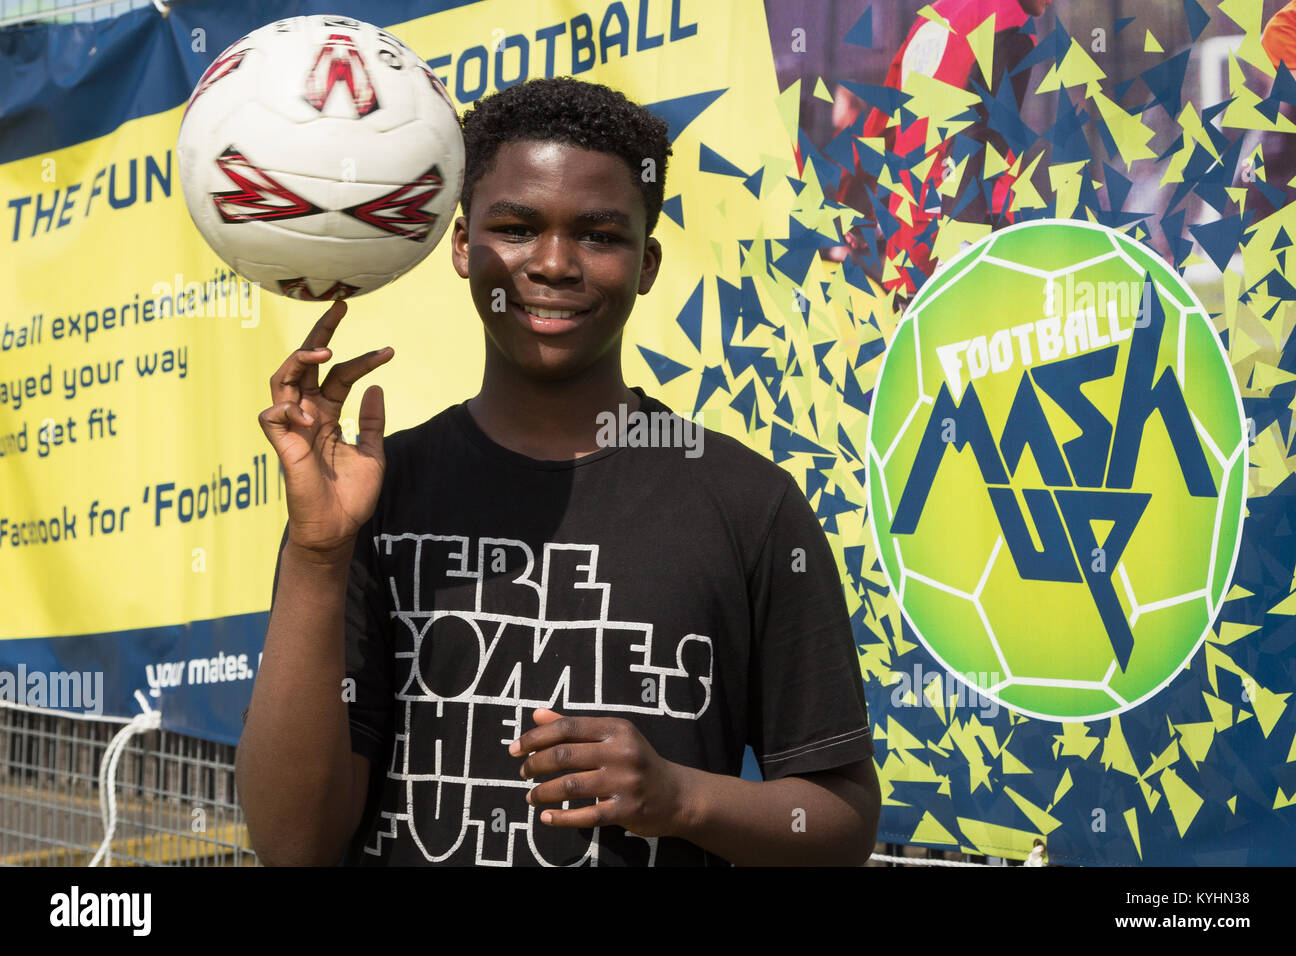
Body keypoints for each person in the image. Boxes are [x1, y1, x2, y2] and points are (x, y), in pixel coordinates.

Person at [235, 77, 880, 866]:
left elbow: (841, 825)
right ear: (463, 244)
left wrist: (682, 798)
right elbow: (291, 846)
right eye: (515, 226)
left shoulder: (749, 505)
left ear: (646, 264)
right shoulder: (370, 497)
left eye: (599, 236)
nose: (553, 263)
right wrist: (317, 555)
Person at [828, 0, 1049, 298]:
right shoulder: (1008, 20)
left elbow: (883, 125)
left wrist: (862, 206)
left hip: (910, 239)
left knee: (918, 340)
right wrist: (962, 242)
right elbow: (977, 131)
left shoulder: (928, 22)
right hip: (971, 236)